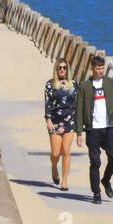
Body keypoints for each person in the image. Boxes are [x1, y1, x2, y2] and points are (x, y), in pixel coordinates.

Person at [74, 55, 113, 204]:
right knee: (95, 162)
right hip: (92, 130)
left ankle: (106, 180)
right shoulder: (84, 86)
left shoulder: (111, 84)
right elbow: (79, 110)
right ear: (92, 69)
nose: (100, 71)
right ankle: (96, 193)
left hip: (109, 128)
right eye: (98, 68)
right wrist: (79, 132)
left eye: (102, 68)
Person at [44, 58, 76, 191]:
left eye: (64, 67)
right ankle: (53, 167)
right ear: (56, 70)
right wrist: (48, 120)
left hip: (70, 121)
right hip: (55, 122)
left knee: (66, 151)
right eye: (59, 68)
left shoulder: (74, 84)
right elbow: (47, 103)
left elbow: (78, 103)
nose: (62, 70)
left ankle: (65, 181)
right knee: (56, 153)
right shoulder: (50, 84)